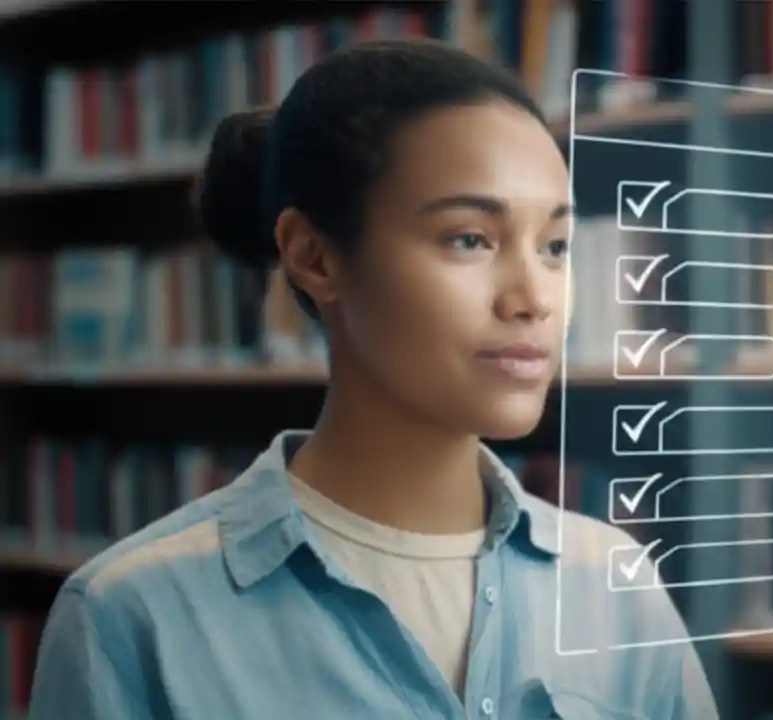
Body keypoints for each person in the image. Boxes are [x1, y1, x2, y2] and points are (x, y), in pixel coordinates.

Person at [26, 38, 717, 719]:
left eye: (555, 246)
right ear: (314, 256)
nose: (533, 297)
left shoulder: (612, 583)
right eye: (470, 239)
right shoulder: (134, 616)